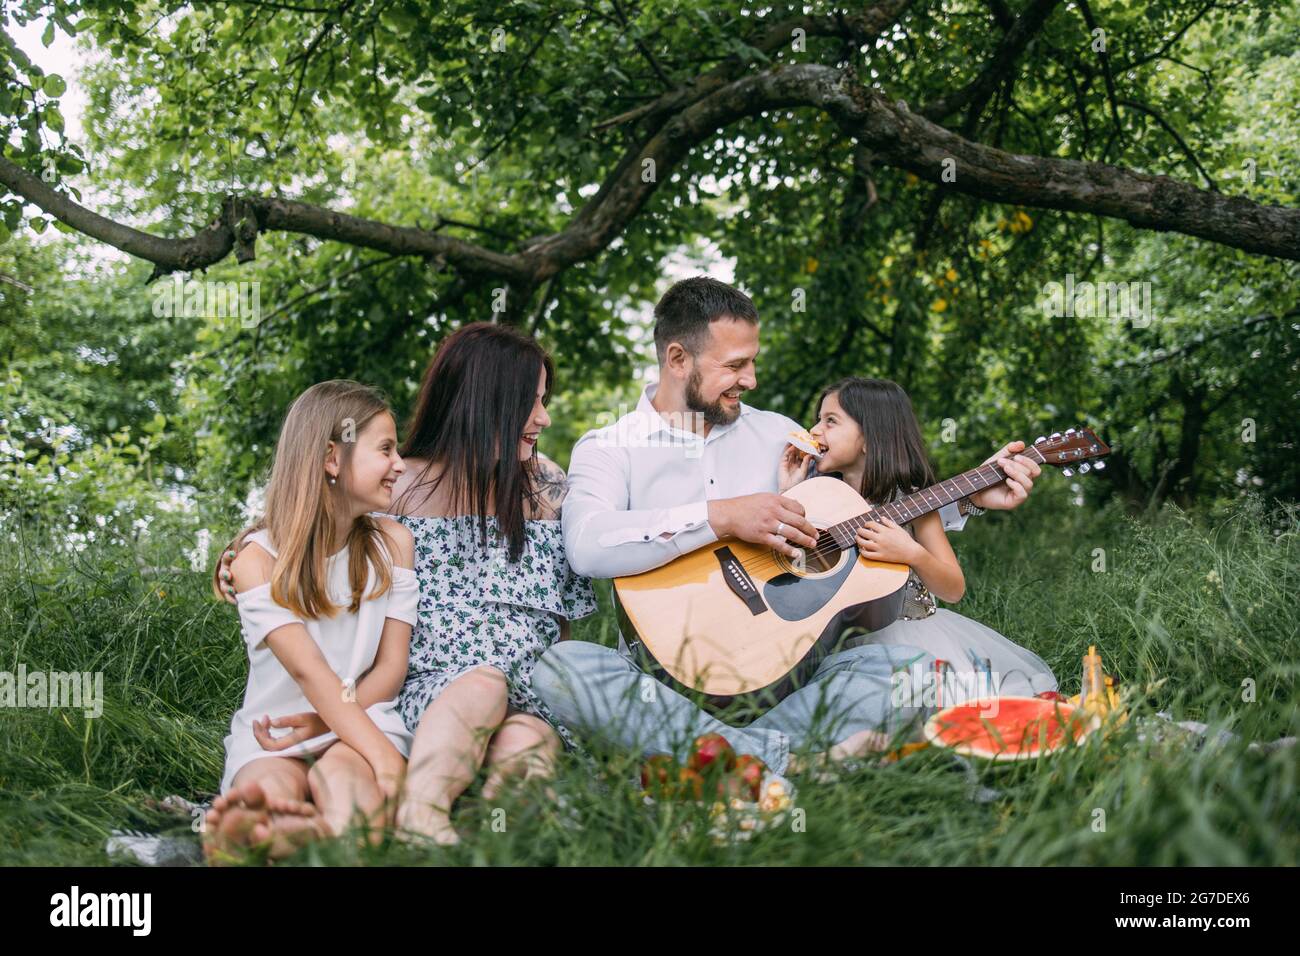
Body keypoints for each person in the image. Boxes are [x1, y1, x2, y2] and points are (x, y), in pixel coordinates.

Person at [533, 276, 1042, 775]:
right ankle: (784, 761)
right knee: (563, 667)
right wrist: (721, 517)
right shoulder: (608, 448)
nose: (751, 379)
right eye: (735, 365)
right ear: (677, 359)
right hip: (664, 684)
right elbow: (587, 546)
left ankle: (709, 759)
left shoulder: (780, 434)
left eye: (752, 362)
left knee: (909, 671)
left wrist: (970, 496)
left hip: (790, 682)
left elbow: (856, 509)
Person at [205, 380, 418, 864]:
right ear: (330, 459)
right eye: (385, 449)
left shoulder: (395, 544)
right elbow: (309, 674)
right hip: (273, 732)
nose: (399, 464)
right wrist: (389, 764)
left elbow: (390, 668)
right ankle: (269, 830)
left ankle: (328, 837)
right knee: (268, 785)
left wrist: (339, 730)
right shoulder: (257, 560)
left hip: (366, 718)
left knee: (346, 780)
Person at [778, 377, 1058, 704]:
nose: (814, 430)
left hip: (913, 637)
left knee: (919, 713)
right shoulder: (820, 501)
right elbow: (792, 568)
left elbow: (953, 588)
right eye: (818, 419)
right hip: (838, 645)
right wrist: (789, 492)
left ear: (870, 437)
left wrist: (911, 554)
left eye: (830, 421)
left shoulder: (914, 503)